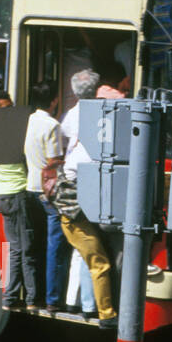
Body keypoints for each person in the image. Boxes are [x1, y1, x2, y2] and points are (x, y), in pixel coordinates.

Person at [53, 70, 117, 327]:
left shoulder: (70, 116)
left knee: (85, 255)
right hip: (80, 197)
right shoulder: (107, 113)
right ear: (97, 88)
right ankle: (104, 313)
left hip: (74, 194)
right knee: (96, 259)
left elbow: (64, 143)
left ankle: (82, 305)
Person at [0, 93, 39, 310]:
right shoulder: (16, 134)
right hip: (17, 194)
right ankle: (27, 298)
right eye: (7, 108)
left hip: (0, 195)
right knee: (25, 248)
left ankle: (13, 297)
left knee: (15, 248)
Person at [24, 80, 68, 313]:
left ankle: (35, 294)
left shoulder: (30, 119)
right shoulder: (53, 126)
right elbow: (53, 161)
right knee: (55, 246)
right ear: (54, 100)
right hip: (48, 192)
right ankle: (52, 298)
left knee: (36, 244)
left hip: (30, 188)